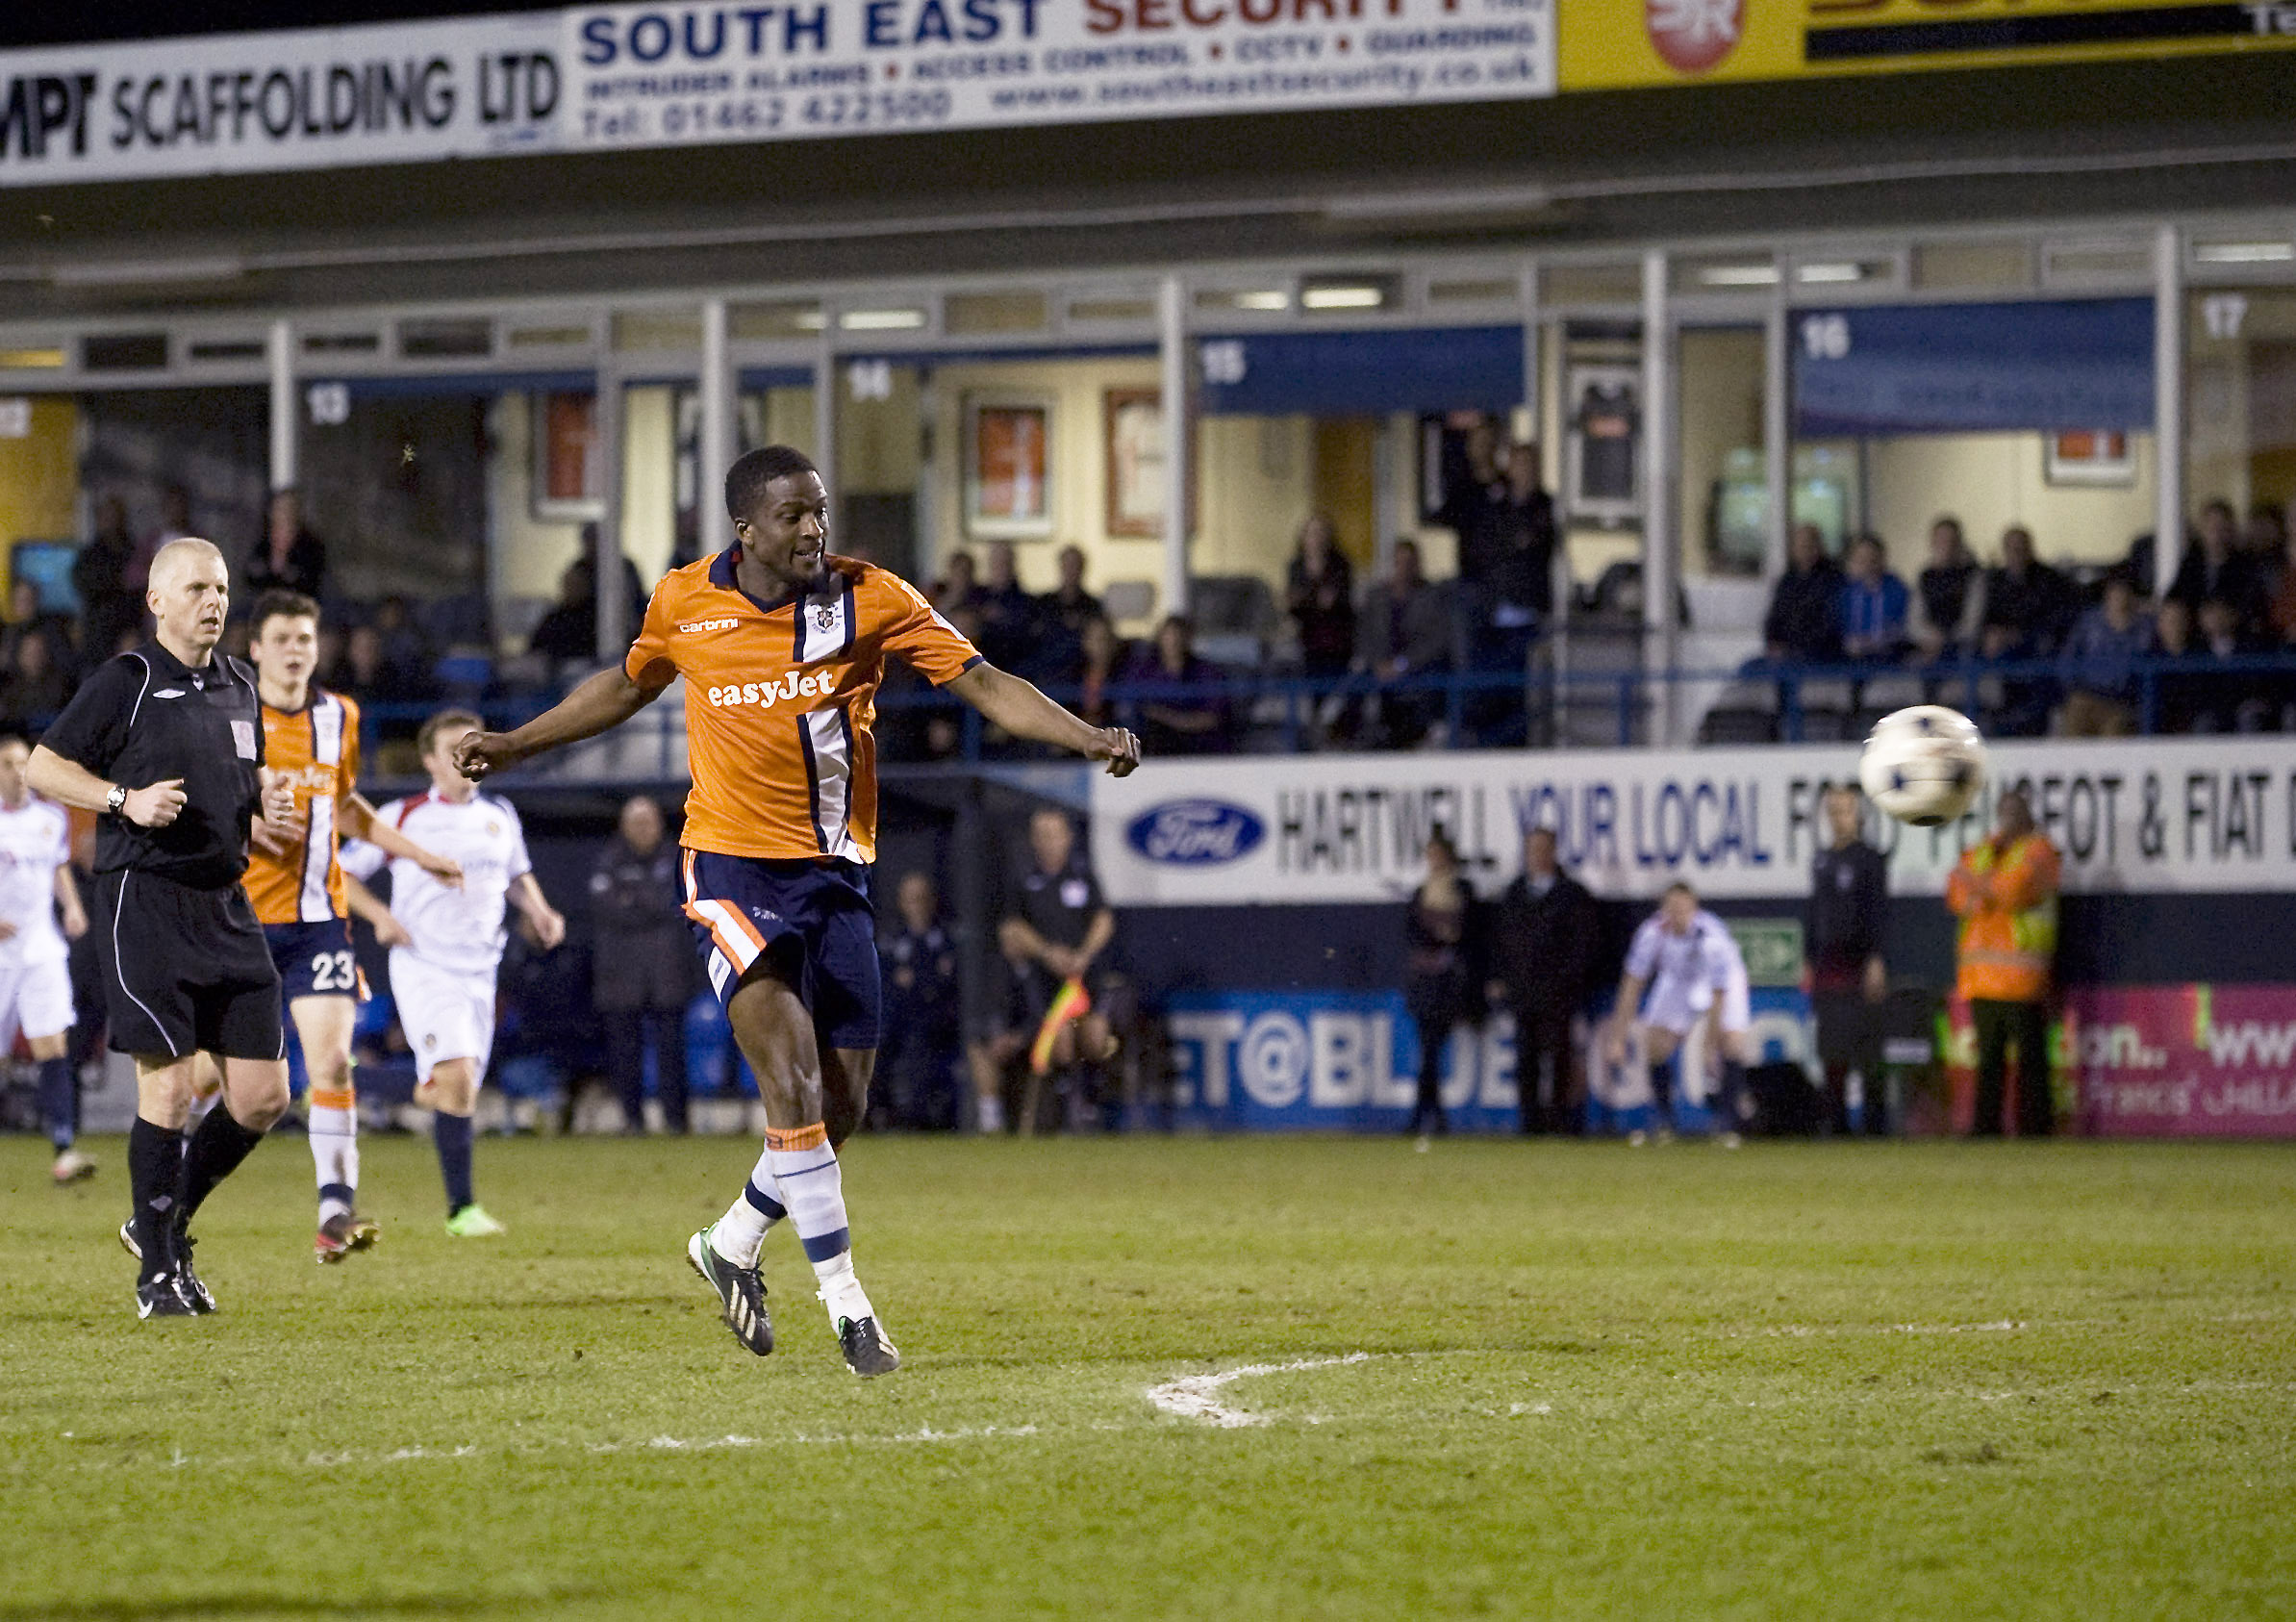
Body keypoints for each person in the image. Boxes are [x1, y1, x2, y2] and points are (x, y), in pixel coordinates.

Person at [449, 444, 1140, 1378]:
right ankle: (850, 1310)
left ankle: (730, 1240)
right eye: (793, 515)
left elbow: (981, 682)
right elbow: (625, 683)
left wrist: (1084, 737)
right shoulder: (684, 600)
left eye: (819, 510)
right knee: (793, 1082)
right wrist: (519, 744)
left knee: (838, 1109)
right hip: (731, 869)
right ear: (747, 529)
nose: (814, 527)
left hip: (836, 876)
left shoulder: (870, 597)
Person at [28, 538, 298, 1318]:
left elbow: (241, 779)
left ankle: (161, 1222)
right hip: (143, 901)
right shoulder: (128, 680)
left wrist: (265, 805)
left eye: (221, 588)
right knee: (170, 1085)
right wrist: (124, 800)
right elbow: (44, 766)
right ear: (157, 601)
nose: (213, 602)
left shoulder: (240, 683)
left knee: (263, 1097)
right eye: (195, 589)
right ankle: (157, 1276)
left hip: (226, 904)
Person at [241, 591, 464, 1259]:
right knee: (210, 1083)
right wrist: (247, 823)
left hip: (318, 920)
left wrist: (418, 854)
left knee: (333, 1062)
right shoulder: (231, 715)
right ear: (255, 649)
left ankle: (334, 1211)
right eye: (282, 638)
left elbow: (343, 808)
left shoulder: (341, 715)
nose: (294, 650)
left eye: (304, 639)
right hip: (238, 921)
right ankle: (166, 1207)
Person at [346, 709, 566, 1234]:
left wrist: (540, 910)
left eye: (475, 747)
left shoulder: (500, 814)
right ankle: (461, 1211)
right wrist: (380, 917)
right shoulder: (402, 815)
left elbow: (516, 874)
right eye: (453, 750)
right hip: (426, 964)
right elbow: (343, 871)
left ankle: (351, 1079)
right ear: (428, 760)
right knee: (459, 1080)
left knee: (454, 1092)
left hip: (481, 970)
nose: (467, 758)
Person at [975, 806, 1122, 1135]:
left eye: (1054, 834)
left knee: (1096, 1037)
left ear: (1067, 838)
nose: (1048, 842)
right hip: (1044, 986)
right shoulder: (1024, 881)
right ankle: (1065, 1115)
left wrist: (1082, 955)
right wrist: (1047, 953)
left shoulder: (1083, 877)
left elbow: (1103, 920)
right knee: (1061, 1039)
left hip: (1084, 982)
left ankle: (1093, 1107)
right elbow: (1012, 929)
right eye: (1041, 835)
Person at [0, 734, 91, 1183]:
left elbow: (57, 867)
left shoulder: (51, 818)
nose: (18, 772)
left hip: (40, 947)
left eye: (23, 763)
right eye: (8, 764)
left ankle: (64, 1150)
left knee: (52, 1044)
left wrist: (71, 906)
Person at [1947, 788, 2060, 1138]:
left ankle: (2035, 1130)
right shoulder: (1982, 850)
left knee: (2031, 1059)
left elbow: (2016, 890)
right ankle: (1985, 1129)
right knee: (1988, 1061)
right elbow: (1955, 891)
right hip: (1981, 977)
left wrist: (1980, 887)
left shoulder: (2040, 851)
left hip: (2022, 977)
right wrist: (1988, 890)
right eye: (2004, 810)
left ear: (2027, 814)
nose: (2008, 817)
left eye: (2015, 810)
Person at [1603, 882, 1750, 1148]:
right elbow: (1632, 985)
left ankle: (1728, 1121)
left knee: (1732, 1042)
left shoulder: (1712, 938)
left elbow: (1718, 995)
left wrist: (1709, 1046)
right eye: (1671, 909)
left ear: (1694, 909)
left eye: (1683, 909)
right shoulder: (1651, 933)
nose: (1677, 915)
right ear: (1663, 909)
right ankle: (1664, 1119)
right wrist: (1618, 1038)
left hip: (1723, 982)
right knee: (1655, 1044)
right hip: (1678, 980)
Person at [590, 793, 692, 1135]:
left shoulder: (675, 856)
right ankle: (632, 1120)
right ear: (623, 826)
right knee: (624, 1052)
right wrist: (649, 901)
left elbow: (676, 904)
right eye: (636, 823)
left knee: (672, 1052)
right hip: (621, 975)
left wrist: (632, 898)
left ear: (659, 824)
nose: (643, 829)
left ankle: (677, 1121)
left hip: (667, 974)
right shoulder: (609, 858)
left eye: (648, 822)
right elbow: (604, 906)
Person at [1486, 824, 1595, 1135]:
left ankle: (1559, 1122)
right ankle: (1529, 1123)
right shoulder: (1515, 893)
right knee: (1526, 1057)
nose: (1536, 856)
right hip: (1523, 991)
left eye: (1542, 849)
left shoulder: (1572, 895)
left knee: (1558, 1057)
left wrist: (1569, 979)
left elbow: (1583, 944)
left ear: (1553, 852)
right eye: (1531, 849)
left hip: (1558, 991)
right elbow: (1501, 941)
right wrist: (1500, 977)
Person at [1806, 785, 1889, 1136]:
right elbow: (1814, 912)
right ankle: (1836, 1122)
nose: (1838, 817)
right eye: (1833, 811)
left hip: (1859, 964)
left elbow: (1879, 912)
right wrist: (1808, 958)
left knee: (1868, 1047)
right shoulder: (1822, 860)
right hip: (1828, 967)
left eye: (1844, 810)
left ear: (1858, 815)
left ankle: (1874, 1122)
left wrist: (1876, 959)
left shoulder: (1870, 859)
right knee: (1832, 1049)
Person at [1403, 831, 1479, 1143]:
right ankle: (1430, 1113)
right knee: (1428, 1052)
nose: (1433, 861)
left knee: (1432, 1051)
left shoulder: (1462, 891)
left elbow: (1470, 935)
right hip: (1425, 985)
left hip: (1449, 985)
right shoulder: (1420, 893)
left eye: (1438, 855)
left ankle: (1427, 1114)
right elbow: (1412, 935)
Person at [879, 872, 961, 1130]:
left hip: (936, 1024)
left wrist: (917, 981)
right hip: (895, 1022)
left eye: (922, 899)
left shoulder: (946, 939)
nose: (917, 906)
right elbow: (889, 983)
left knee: (920, 1045)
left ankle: (920, 1118)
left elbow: (942, 984)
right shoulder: (891, 941)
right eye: (911, 899)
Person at [1355, 538, 1453, 748]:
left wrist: (1402, 664)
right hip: (1379, 668)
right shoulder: (1376, 597)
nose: (1404, 568)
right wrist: (1378, 664)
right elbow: (1364, 636)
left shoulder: (1431, 597)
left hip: (1417, 668)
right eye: (1399, 562)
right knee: (1352, 685)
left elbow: (1436, 641)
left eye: (1409, 563)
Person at [2057, 573, 2156, 737]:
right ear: (2107, 595)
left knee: (2114, 736)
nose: (2120, 597)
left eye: (2124, 591)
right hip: (2086, 696)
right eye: (2115, 591)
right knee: (2074, 730)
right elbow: (2068, 656)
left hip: (2120, 702)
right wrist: (2073, 689)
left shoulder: (2144, 626)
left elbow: (2150, 657)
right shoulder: (2089, 622)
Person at [1125, 614, 1233, 756]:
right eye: (1169, 636)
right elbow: (1134, 710)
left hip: (1202, 748)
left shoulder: (1207, 672)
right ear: (1160, 638)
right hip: (1157, 749)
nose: (1174, 642)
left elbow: (1213, 718)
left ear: (1189, 638)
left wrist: (1168, 717)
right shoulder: (1144, 673)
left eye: (1179, 635)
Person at [2166, 499, 2263, 631]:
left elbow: (2251, 604)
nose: (2217, 534)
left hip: (2234, 633)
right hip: (2194, 632)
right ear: (2201, 530)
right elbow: (2175, 596)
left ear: (2231, 530)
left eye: (2222, 528)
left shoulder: (2245, 565)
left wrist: (2228, 616)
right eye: (2211, 527)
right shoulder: (2191, 562)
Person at [1285, 514, 1356, 681]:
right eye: (1312, 533)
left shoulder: (1340, 565)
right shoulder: (1296, 567)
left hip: (1337, 640)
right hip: (1306, 639)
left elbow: (1339, 601)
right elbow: (1294, 603)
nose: (1316, 538)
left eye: (1321, 532)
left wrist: (1309, 599)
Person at [1762, 524, 1843, 664]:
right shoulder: (1787, 580)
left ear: (1820, 547)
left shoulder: (1833, 578)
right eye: (1801, 546)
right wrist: (1773, 642)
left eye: (1810, 545)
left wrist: (1796, 647)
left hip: (1820, 655)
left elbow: (1829, 623)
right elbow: (1775, 617)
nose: (1805, 550)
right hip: (1785, 653)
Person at [1908, 517, 1985, 661]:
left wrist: (1945, 639)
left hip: (1964, 649)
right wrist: (1929, 636)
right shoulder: (1924, 576)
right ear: (1932, 543)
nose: (1947, 546)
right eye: (1941, 540)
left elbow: (1972, 622)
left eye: (1952, 541)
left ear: (1959, 543)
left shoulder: (1974, 576)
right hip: (1928, 647)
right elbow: (1914, 621)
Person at [74, 494, 141, 658]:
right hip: (97, 631)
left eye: (115, 516)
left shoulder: (134, 552)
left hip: (128, 630)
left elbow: (139, 590)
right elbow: (83, 584)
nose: (111, 521)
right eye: (107, 516)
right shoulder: (89, 556)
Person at [244, 489, 328, 602]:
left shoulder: (311, 546)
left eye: (285, 510)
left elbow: (310, 581)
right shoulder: (263, 543)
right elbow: (251, 575)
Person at [1837, 534, 1909, 663]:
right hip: (1847, 660)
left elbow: (1903, 628)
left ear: (1882, 560)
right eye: (1862, 559)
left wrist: (1874, 642)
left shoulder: (1898, 590)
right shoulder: (1843, 592)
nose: (1868, 565)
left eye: (1873, 559)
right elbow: (1837, 628)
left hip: (1889, 660)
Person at [528, 558, 602, 662]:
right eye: (568, 585)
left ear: (585, 586)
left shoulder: (593, 618)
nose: (570, 589)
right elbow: (536, 646)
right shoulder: (554, 617)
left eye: (575, 585)